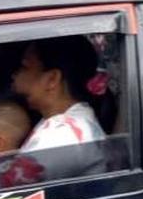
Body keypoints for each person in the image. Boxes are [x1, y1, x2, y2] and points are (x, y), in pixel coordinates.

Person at [9, 36, 108, 181]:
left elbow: (10, 192)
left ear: (52, 79)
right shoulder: (67, 121)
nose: (14, 75)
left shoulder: (63, 134)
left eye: (24, 68)